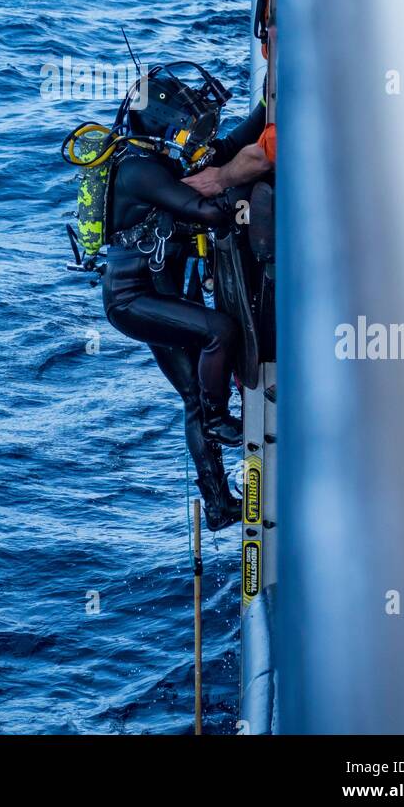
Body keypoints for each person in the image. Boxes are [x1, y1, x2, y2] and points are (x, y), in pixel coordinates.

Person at [101, 63, 269, 530]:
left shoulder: (165, 159)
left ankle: (218, 507)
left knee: (192, 394)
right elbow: (207, 211)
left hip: (161, 290)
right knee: (220, 332)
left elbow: (227, 148)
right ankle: (219, 418)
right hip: (132, 299)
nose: (193, 141)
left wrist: (267, 106)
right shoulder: (138, 170)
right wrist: (236, 183)